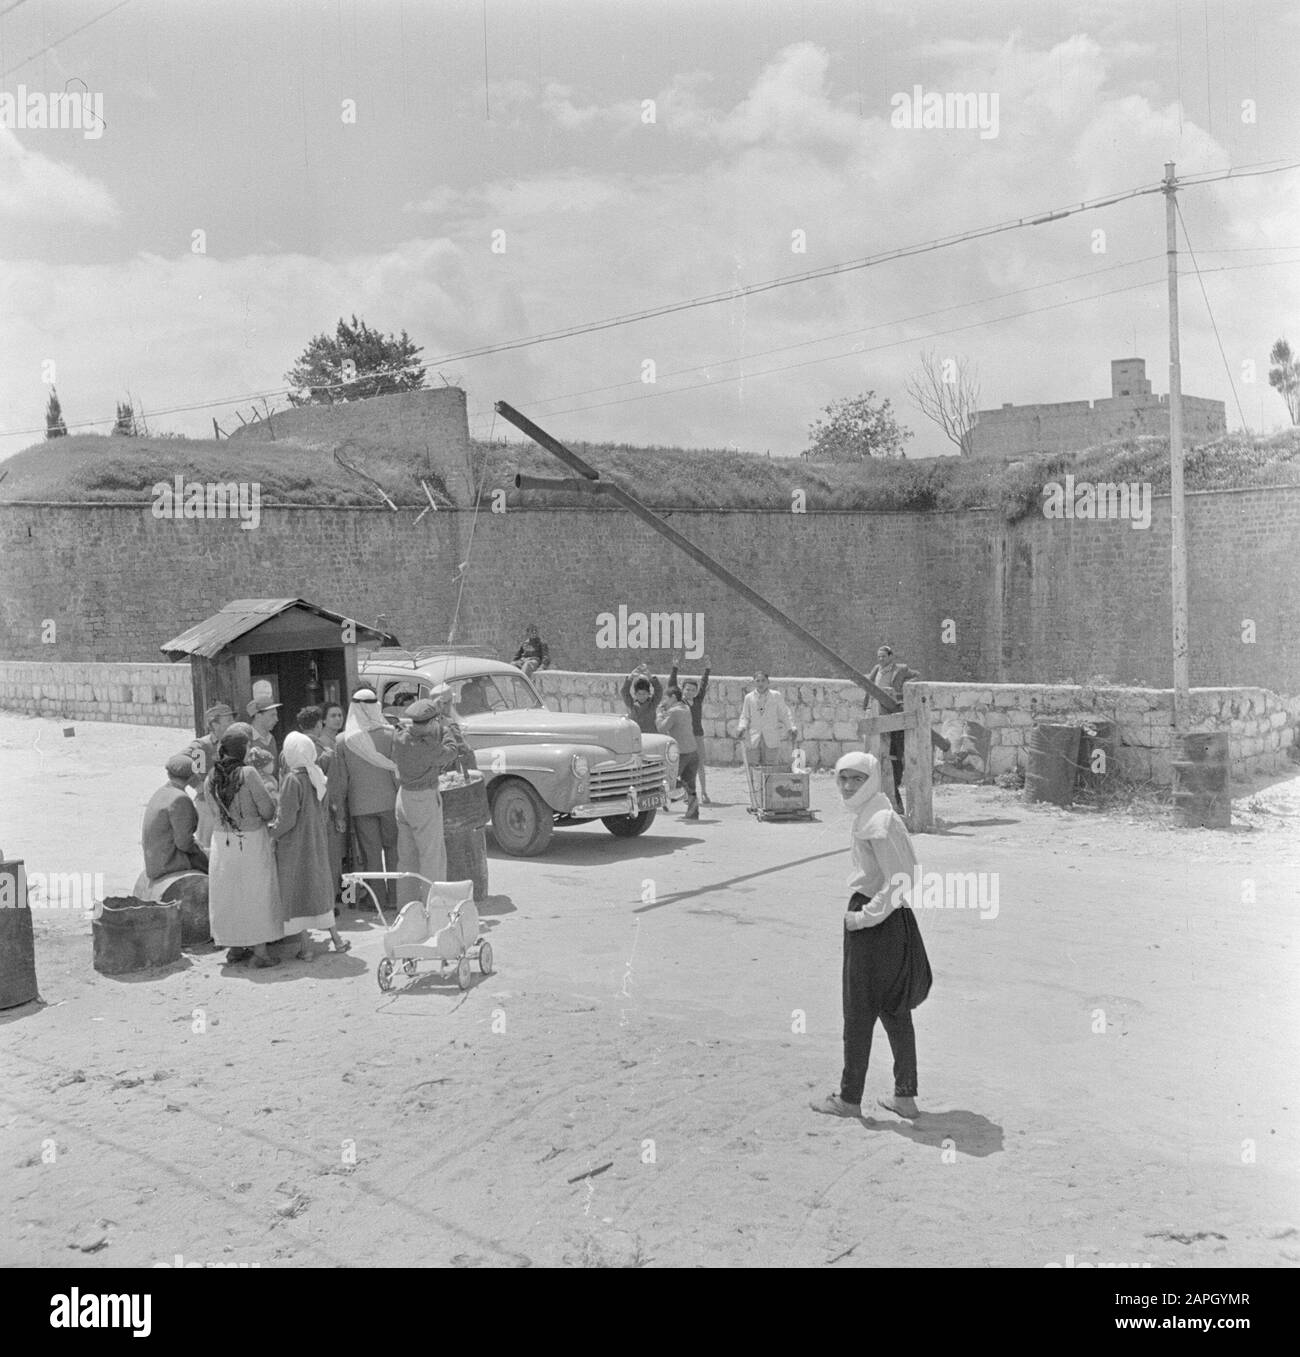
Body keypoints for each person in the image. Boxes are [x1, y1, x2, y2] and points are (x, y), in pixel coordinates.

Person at [810, 752, 932, 1121]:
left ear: (873, 779)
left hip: (876, 921)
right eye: (843, 779)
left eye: (857, 779)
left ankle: (849, 1099)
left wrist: (863, 919)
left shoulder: (876, 821)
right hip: (893, 923)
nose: (848, 786)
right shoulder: (880, 812)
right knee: (895, 1009)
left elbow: (900, 881)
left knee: (858, 1012)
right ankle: (905, 1097)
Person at [205, 726, 283, 968]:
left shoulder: (211, 776)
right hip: (250, 842)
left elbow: (212, 810)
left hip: (221, 842)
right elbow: (267, 809)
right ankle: (260, 952)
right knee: (256, 893)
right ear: (243, 749)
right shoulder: (248, 774)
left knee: (229, 894)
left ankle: (235, 947)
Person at [270, 732, 350, 959]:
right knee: (317, 888)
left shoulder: (292, 780)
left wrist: (272, 833)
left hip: (294, 845)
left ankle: (306, 948)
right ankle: (337, 939)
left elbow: (286, 819)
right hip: (315, 841)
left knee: (296, 891)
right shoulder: (317, 777)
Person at [391, 698, 462, 906]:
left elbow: (406, 729)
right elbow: (451, 751)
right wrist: (447, 728)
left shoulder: (400, 736)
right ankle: (435, 908)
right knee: (432, 858)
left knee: (407, 860)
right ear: (431, 722)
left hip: (403, 798)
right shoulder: (428, 746)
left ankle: (406, 908)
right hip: (422, 800)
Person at [339, 688, 401, 909]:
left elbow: (341, 780)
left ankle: (377, 902)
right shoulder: (390, 734)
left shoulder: (343, 740)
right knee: (393, 851)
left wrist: (340, 811)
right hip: (390, 802)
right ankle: (396, 898)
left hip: (360, 806)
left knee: (370, 854)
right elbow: (397, 773)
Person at [297, 705, 348, 907]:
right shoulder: (326, 752)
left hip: (306, 814)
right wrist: (340, 815)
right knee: (335, 859)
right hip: (328, 813)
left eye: (340, 715)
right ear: (320, 723)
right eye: (332, 716)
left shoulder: (294, 750)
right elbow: (334, 789)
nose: (338, 719)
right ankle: (337, 901)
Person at [865, 645, 922, 813]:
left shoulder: (901, 669)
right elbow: (869, 686)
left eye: (883, 657)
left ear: (891, 656)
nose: (880, 660)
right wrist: (866, 706)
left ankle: (895, 801)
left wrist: (902, 692)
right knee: (874, 757)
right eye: (879, 657)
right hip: (876, 716)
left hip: (893, 716)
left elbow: (917, 676)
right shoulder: (877, 669)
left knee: (894, 757)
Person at [141, 753, 209, 882]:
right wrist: (201, 851)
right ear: (190, 777)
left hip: (156, 859)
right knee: (216, 866)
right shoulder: (180, 798)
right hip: (170, 860)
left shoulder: (162, 792)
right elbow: (184, 843)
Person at [188, 702, 234, 850]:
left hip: (228, 803)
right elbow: (186, 766)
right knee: (206, 844)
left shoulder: (233, 743)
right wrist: (198, 786)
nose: (233, 723)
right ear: (215, 724)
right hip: (207, 805)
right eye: (228, 720)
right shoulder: (202, 746)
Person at [668, 654, 711, 805]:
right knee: (682, 767)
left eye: (693, 690)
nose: (690, 692)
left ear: (696, 691)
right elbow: (671, 685)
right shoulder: (679, 702)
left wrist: (707, 668)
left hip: (697, 736)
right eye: (687, 689)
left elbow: (704, 683)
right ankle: (686, 794)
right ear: (683, 690)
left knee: (700, 765)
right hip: (683, 738)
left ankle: (704, 792)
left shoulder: (698, 700)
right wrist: (675, 668)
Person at [736, 670, 798, 766]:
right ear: (754, 682)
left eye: (763, 680)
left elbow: (785, 713)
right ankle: (756, 782)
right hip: (754, 737)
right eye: (758, 681)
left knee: (771, 765)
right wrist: (741, 727)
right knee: (754, 765)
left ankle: (769, 781)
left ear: (768, 682)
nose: (760, 683)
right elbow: (745, 716)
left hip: (771, 735)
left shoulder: (776, 696)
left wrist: (791, 728)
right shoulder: (749, 698)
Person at [656, 686, 699, 820]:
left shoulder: (673, 712)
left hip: (681, 753)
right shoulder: (686, 708)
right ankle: (693, 812)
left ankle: (677, 796)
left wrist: (658, 714)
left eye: (666, 698)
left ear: (673, 697)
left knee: (669, 781)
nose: (665, 700)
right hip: (693, 751)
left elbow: (662, 728)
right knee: (690, 782)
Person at [620, 664, 663, 735]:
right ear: (635, 694)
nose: (641, 696)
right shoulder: (631, 704)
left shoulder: (652, 704)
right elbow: (624, 692)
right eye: (639, 694)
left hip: (651, 735)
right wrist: (630, 677)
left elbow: (659, 691)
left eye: (644, 694)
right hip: (635, 736)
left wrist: (650, 677)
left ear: (649, 693)